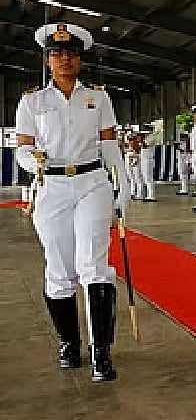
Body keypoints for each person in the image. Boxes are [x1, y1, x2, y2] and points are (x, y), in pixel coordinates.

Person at [16, 22, 130, 381]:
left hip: (92, 182)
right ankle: (69, 342)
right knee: (59, 268)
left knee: (94, 263)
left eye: (71, 54)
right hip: (51, 188)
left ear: (80, 60)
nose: (64, 59)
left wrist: (120, 184)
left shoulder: (98, 97)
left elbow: (109, 145)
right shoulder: (33, 100)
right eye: (57, 54)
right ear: (48, 60)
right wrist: (30, 158)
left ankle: (102, 352)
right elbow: (22, 146)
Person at [139, 125, 157, 202]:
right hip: (143, 158)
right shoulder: (146, 137)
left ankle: (151, 195)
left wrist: (141, 138)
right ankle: (148, 195)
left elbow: (144, 145)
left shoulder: (151, 137)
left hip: (148, 159)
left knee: (148, 177)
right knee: (145, 177)